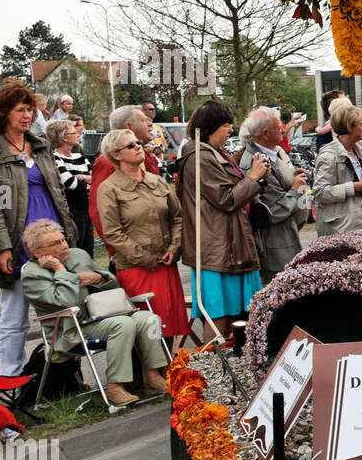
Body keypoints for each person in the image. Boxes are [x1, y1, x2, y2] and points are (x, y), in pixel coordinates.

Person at [0, 83, 76, 375]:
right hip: (17, 242)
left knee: (61, 311)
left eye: (30, 109)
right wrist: (4, 246)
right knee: (15, 315)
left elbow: (58, 192)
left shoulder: (42, 146)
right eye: (20, 109)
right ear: (4, 113)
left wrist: (67, 234)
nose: (27, 115)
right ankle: (11, 375)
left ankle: (61, 376)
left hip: (52, 236)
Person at [20, 219, 167, 409]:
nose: (64, 245)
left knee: (148, 318)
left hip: (103, 315)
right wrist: (60, 270)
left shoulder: (78, 255)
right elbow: (66, 302)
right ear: (37, 252)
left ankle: (153, 377)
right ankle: (114, 387)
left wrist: (98, 278)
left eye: (64, 240)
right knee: (123, 324)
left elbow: (113, 284)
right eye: (56, 243)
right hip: (71, 328)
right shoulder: (33, 275)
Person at [176, 100, 268, 340]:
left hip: (231, 244)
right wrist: (253, 178)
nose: (229, 130)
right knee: (219, 315)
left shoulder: (217, 154)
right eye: (225, 125)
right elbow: (226, 199)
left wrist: (256, 180)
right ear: (209, 127)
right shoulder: (200, 157)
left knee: (238, 313)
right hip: (216, 249)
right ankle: (212, 368)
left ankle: (233, 365)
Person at [97, 128, 189, 340]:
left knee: (168, 330)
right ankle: (146, 374)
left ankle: (168, 372)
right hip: (136, 269)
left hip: (166, 265)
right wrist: (146, 258)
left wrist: (174, 248)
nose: (139, 146)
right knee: (146, 333)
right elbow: (113, 233)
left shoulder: (156, 181)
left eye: (138, 142)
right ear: (116, 155)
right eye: (131, 145)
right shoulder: (109, 188)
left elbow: (178, 217)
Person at [238, 107, 308, 283]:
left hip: (285, 241)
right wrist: (294, 189)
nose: (284, 129)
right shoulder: (257, 163)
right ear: (265, 133)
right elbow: (272, 211)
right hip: (276, 248)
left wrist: (293, 178)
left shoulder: (272, 154)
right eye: (279, 127)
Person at [89, 105, 160, 254]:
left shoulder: (147, 159)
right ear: (129, 126)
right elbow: (99, 211)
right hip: (129, 256)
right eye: (144, 120)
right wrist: (117, 251)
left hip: (157, 250)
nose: (150, 124)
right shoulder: (108, 162)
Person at [313, 100, 362, 236]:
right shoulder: (329, 155)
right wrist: (353, 187)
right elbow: (320, 192)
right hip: (343, 227)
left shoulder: (360, 148)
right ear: (350, 127)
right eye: (361, 124)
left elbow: (361, 180)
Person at [48, 119, 92, 257]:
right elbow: (69, 183)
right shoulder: (55, 158)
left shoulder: (80, 156)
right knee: (76, 250)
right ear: (63, 137)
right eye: (74, 132)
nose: (78, 134)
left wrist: (79, 177)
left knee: (89, 250)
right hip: (73, 211)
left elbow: (95, 178)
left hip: (88, 209)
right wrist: (84, 179)